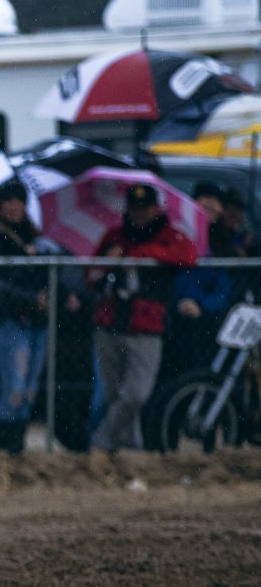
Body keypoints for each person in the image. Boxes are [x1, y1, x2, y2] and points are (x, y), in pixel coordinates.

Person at [85, 183, 198, 453]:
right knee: (114, 394)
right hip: (110, 322)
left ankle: (100, 443)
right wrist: (110, 263)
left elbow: (188, 256)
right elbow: (91, 275)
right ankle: (130, 449)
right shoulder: (114, 236)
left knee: (136, 393)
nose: (139, 214)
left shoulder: (169, 236)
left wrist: (138, 255)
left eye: (145, 208)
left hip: (146, 326)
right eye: (135, 208)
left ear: (156, 209)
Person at [0, 182, 49, 455]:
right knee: (13, 389)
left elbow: (46, 275)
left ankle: (16, 452)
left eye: (19, 200)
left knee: (29, 390)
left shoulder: (34, 236)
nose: (15, 206)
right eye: (9, 200)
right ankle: (0, 452)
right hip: (11, 321)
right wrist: (30, 299)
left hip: (37, 322)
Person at [168, 182, 237, 371]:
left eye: (216, 201)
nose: (210, 205)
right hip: (174, 317)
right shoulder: (177, 233)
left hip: (206, 320)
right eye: (205, 197)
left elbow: (224, 289)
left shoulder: (224, 244)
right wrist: (180, 301)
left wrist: (202, 305)